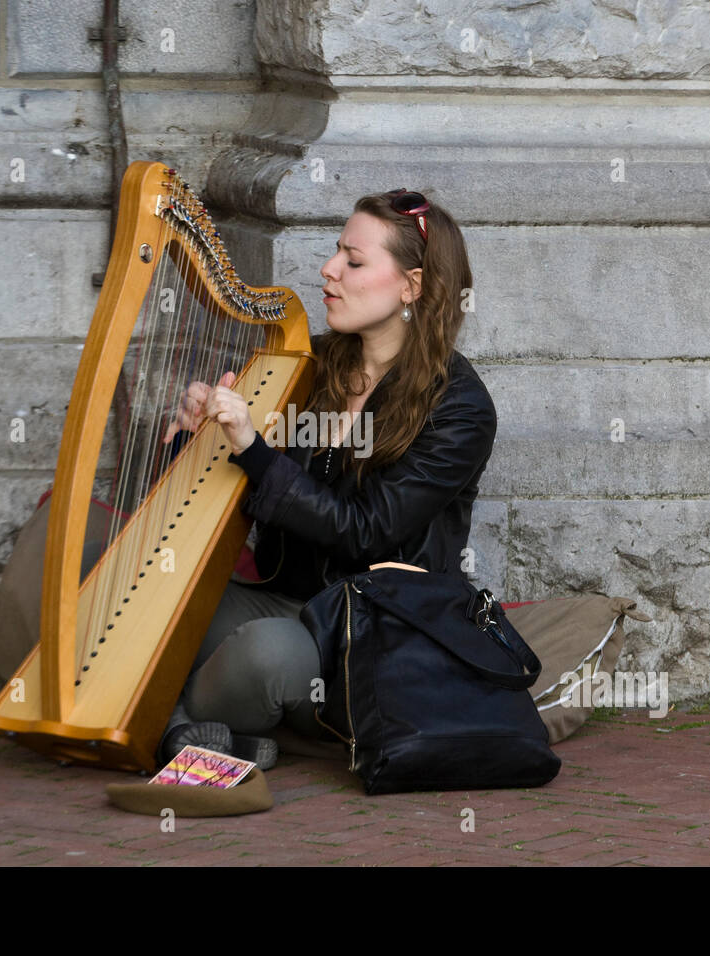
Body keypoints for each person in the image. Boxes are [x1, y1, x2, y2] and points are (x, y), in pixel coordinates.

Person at [156, 188, 498, 769]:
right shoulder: (308, 370)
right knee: (138, 588)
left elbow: (365, 533)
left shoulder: (459, 410)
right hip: (281, 599)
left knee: (269, 656)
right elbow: (221, 494)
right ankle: (198, 736)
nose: (329, 269)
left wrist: (254, 449)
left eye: (354, 261)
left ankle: (168, 726)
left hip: (363, 632)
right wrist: (191, 439)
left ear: (411, 287)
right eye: (337, 252)